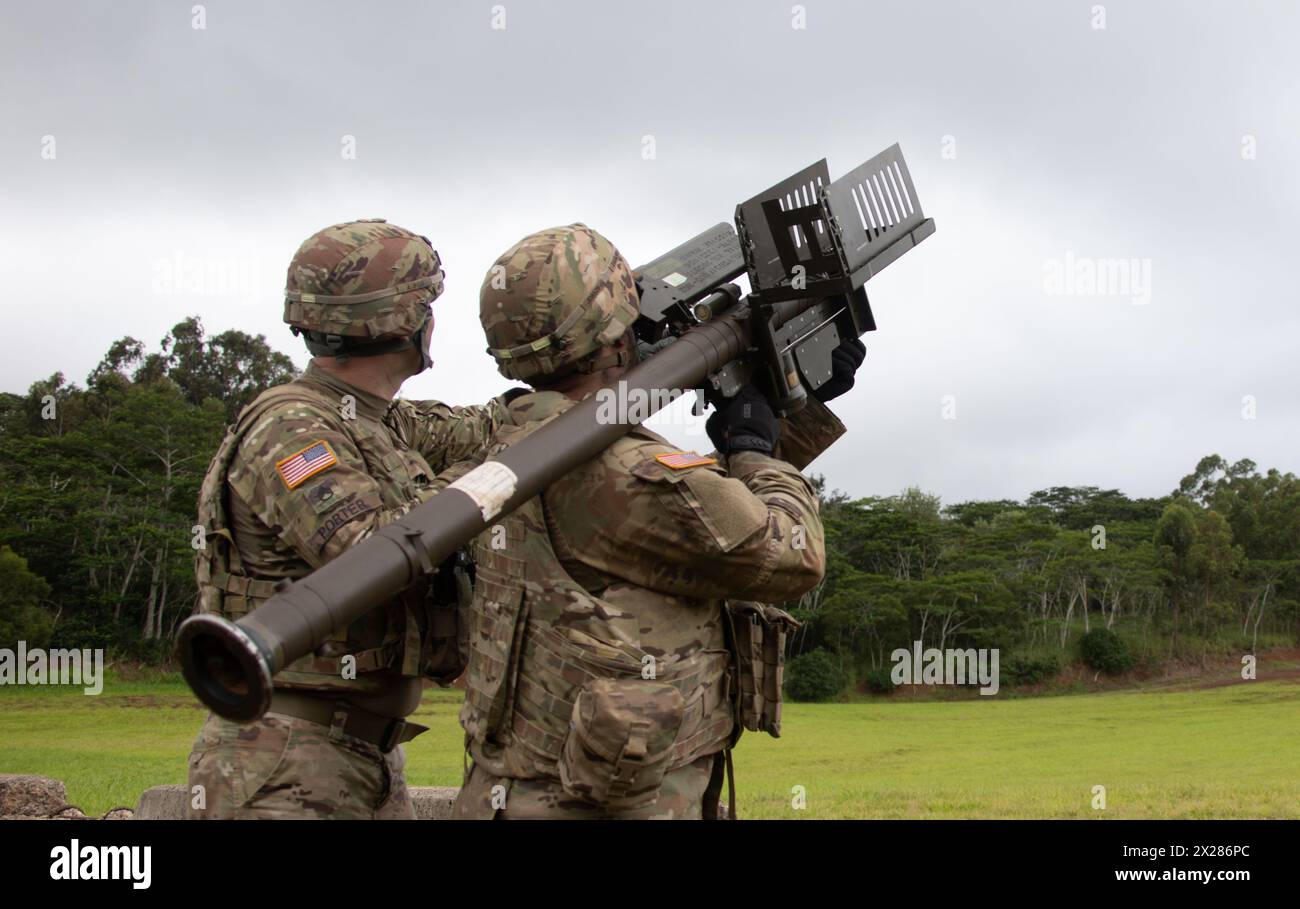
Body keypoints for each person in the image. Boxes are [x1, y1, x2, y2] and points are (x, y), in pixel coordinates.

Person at [452, 223, 862, 819]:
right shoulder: (621, 469)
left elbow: (688, 528)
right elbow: (790, 554)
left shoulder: (508, 439)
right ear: (618, 329)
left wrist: (795, 405)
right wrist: (754, 446)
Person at [188, 219, 506, 819]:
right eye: (427, 305)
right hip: (287, 763)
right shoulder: (290, 426)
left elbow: (493, 428)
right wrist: (493, 475)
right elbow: (372, 552)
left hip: (360, 751)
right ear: (406, 320)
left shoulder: (374, 420)